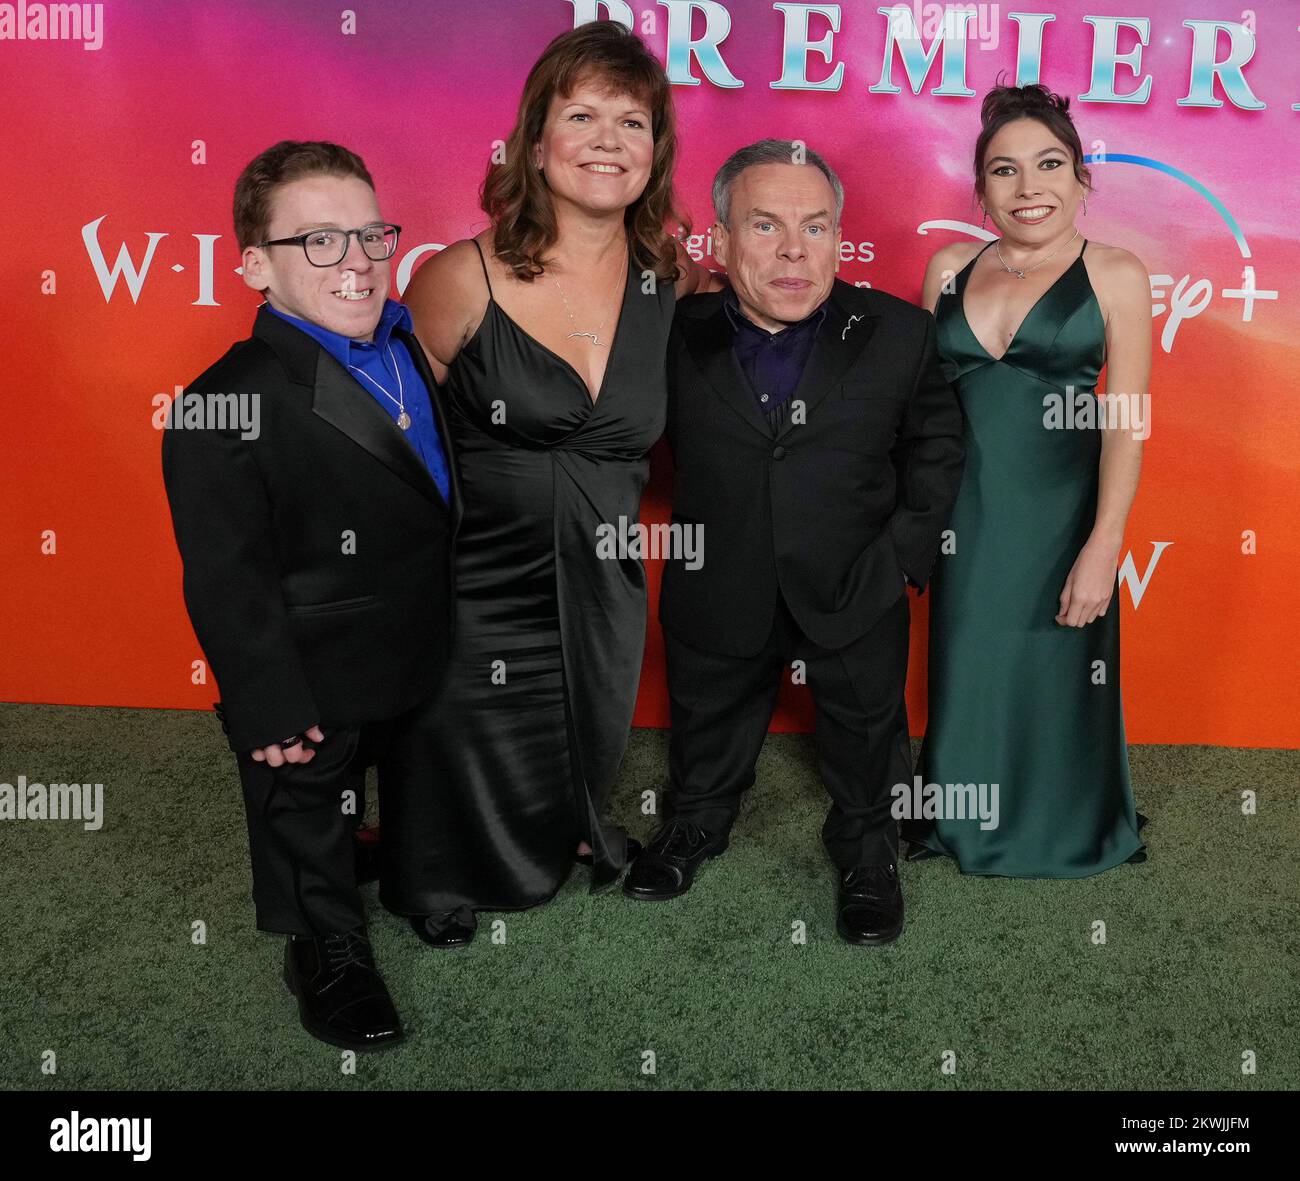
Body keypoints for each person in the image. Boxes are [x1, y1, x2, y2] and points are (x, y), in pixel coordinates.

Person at [393, 21, 719, 948]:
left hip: (603, 562)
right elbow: (398, 436)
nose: (609, 139)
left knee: (580, 715)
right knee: (456, 712)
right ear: (536, 142)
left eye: (633, 120)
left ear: (655, 152)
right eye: (583, 115)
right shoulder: (459, 277)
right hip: (472, 560)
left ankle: (556, 832)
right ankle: (438, 871)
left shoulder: (673, 281)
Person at [623, 140, 966, 946]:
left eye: (815, 228)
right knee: (706, 722)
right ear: (720, 239)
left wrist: (901, 560)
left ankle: (867, 849)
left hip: (855, 579)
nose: (793, 251)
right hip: (720, 575)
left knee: (867, 729)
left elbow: (939, 446)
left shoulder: (900, 332)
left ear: (839, 237)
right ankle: (696, 824)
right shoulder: (670, 331)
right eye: (766, 225)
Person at [161, 141, 458, 1049]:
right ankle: (323, 949)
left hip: (415, 636)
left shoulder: (409, 342)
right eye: (320, 242)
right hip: (308, 667)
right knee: (304, 797)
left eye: (370, 233)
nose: (358, 260)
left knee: (406, 773)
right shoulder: (221, 404)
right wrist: (267, 704)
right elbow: (225, 577)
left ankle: (410, 876)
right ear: (257, 265)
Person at [904, 83, 1150, 876]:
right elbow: (921, 410)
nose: (1028, 187)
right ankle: (956, 816)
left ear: (1083, 177)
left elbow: (1127, 419)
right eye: (1004, 171)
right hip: (964, 514)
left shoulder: (1116, 272)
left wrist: (1105, 543)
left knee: (1059, 659)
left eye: (1049, 164)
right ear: (980, 189)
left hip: (1063, 516)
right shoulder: (948, 267)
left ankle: (1068, 821)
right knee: (970, 659)